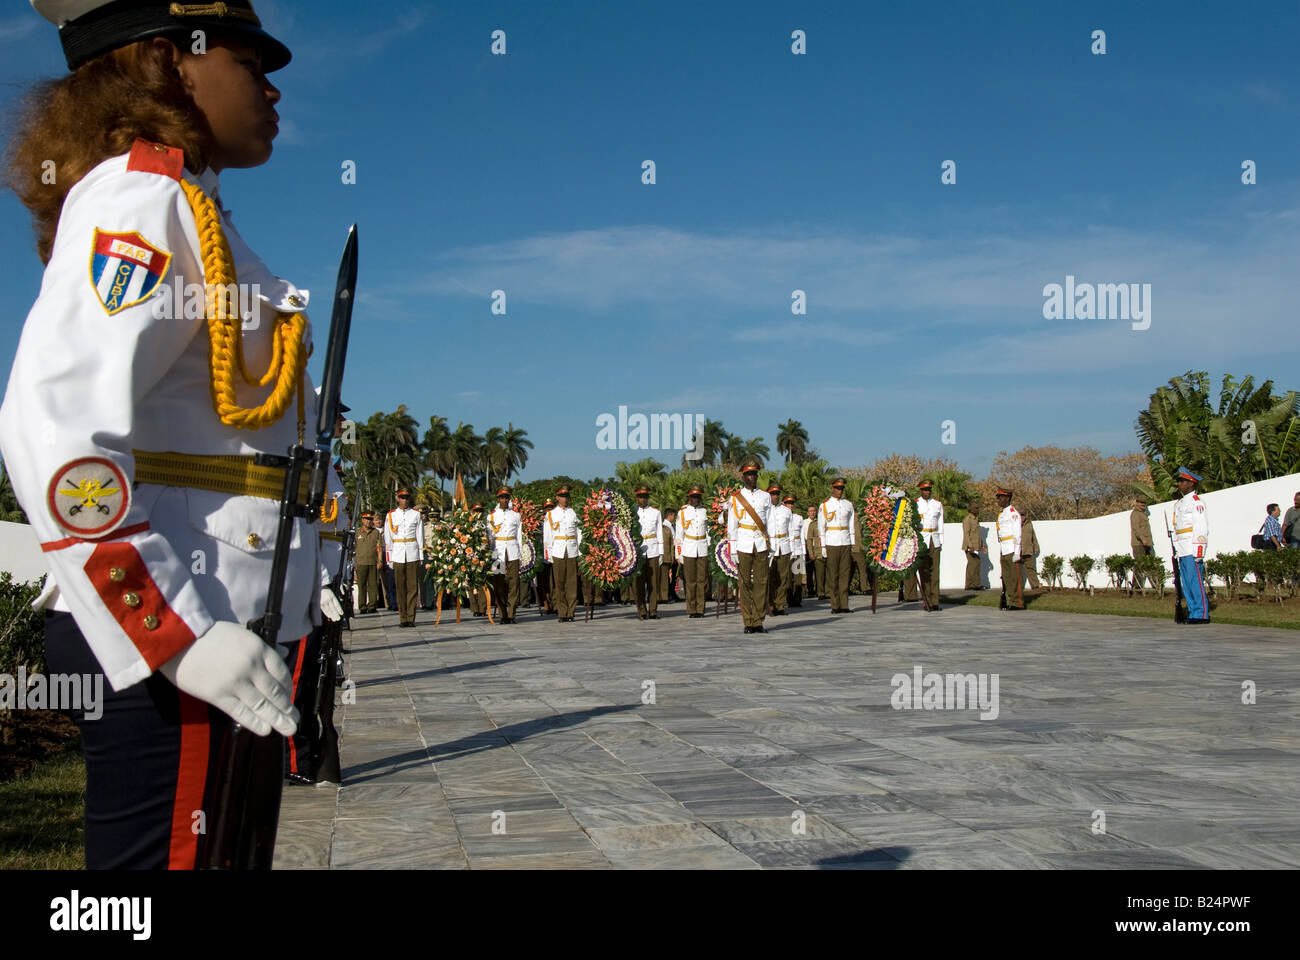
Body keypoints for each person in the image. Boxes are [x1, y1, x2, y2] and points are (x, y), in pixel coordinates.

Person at [0, 0, 319, 869]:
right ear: (171, 61)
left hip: (222, 619)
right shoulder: (140, 197)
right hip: (184, 630)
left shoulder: (189, 205)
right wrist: (172, 631)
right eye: (250, 61)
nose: (271, 83)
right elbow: (54, 421)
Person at [727, 459, 772, 634]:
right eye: (748, 474)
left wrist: (772, 544)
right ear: (743, 476)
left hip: (760, 542)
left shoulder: (765, 496)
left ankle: (758, 620)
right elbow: (732, 524)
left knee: (761, 582)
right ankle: (748, 621)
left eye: (754, 474)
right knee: (745, 584)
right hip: (744, 542)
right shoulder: (736, 498)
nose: (751, 477)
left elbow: (771, 522)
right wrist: (732, 549)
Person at [1171, 467, 1210, 623]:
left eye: (1183, 481)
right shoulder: (1179, 504)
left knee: (1195, 582)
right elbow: (1177, 528)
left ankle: (1202, 614)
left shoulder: (1197, 502)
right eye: (1179, 481)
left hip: (1192, 547)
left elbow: (1201, 527)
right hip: (1182, 547)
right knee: (1186, 583)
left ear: (1191, 484)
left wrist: (1199, 550)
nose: (1179, 484)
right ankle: (1193, 612)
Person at [383, 490, 424, 627]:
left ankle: (411, 618)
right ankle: (403, 617)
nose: (404, 500)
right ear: (397, 499)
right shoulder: (391, 515)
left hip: (412, 551)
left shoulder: (416, 515)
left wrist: (421, 555)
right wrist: (389, 559)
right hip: (398, 553)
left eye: (406, 497)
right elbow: (388, 538)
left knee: (412, 586)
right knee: (400, 587)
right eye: (402, 497)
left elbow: (420, 535)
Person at [543, 487, 581, 622]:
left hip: (571, 549)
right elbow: (547, 536)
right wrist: (547, 555)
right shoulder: (551, 514)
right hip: (557, 550)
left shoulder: (574, 513)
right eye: (562, 496)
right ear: (557, 497)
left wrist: (580, 552)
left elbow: (579, 534)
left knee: (572, 583)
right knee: (559, 583)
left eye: (566, 495)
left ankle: (571, 612)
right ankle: (562, 612)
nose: (565, 498)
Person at [819, 477, 856, 613]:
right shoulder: (825, 505)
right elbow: (821, 526)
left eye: (842, 488)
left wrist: (852, 542)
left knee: (845, 574)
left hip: (845, 540)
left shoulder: (848, 505)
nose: (840, 491)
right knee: (833, 575)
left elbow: (851, 524)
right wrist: (823, 546)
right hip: (832, 541)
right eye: (838, 488)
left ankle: (844, 604)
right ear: (832, 488)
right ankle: (835, 605)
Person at [488, 486, 523, 623]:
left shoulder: (515, 515)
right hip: (497, 551)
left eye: (507, 497)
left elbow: (519, 535)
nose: (504, 500)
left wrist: (519, 552)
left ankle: (511, 613)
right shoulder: (491, 516)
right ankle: (503, 614)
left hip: (513, 549)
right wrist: (491, 555)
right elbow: (489, 536)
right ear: (498, 499)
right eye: (502, 497)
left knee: (514, 582)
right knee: (499, 582)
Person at [676, 486, 710, 618]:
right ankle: (691, 609)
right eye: (693, 497)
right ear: (689, 498)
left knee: (702, 580)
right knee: (690, 580)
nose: (696, 499)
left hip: (702, 547)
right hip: (689, 548)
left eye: (698, 497)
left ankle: (700, 609)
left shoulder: (705, 511)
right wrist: (679, 554)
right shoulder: (682, 512)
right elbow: (679, 536)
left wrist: (709, 546)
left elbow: (707, 531)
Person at [633, 486, 663, 620]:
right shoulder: (632, 512)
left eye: (645, 497)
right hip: (638, 550)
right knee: (638, 583)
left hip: (652, 549)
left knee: (653, 582)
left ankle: (653, 610)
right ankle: (641, 610)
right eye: (640, 497)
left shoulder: (655, 512)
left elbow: (659, 532)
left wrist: (661, 552)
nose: (643, 499)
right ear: (636, 498)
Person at [915, 480, 943, 610]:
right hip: (922, 539)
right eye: (925, 490)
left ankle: (935, 601)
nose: (927, 492)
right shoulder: (916, 504)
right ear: (921, 491)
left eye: (929, 490)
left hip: (934, 538)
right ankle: (926, 600)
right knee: (924, 571)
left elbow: (940, 522)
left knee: (935, 571)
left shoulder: (937, 504)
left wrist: (941, 540)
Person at [994, 487, 1023, 609]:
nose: (998, 500)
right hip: (1004, 548)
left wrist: (1017, 551)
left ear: (1006, 498)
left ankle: (1017, 602)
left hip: (1011, 548)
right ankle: (1009, 600)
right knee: (1006, 576)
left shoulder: (1013, 513)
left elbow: (1017, 533)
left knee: (1014, 577)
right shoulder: (1002, 513)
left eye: (1000, 498)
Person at [766, 483, 792, 616]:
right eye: (772, 494)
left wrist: (792, 548)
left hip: (784, 545)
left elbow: (791, 530)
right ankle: (770, 604)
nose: (775, 496)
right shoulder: (765, 510)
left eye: (777, 494)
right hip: (770, 546)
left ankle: (779, 605)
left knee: (783, 577)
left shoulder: (786, 511)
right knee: (770, 577)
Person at [354, 512, 383, 613]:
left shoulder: (376, 532)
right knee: (361, 585)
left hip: (373, 562)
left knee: (373, 585)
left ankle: (372, 605)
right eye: (366, 519)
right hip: (360, 563)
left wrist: (380, 560)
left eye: (370, 519)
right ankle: (362, 606)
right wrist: (354, 563)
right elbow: (353, 549)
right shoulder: (357, 533)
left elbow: (379, 548)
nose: (368, 521)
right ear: (362, 520)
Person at [467, 503, 488, 616]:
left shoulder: (485, 525)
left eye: (480, 511)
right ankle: (474, 608)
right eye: (476, 511)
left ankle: (482, 608)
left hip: (482, 555)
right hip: (470, 555)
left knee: (481, 582)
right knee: (471, 583)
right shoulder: (468, 525)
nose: (478, 513)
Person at [535, 497, 556, 614]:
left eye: (551, 508)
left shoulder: (557, 520)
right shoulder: (540, 523)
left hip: (556, 552)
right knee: (545, 581)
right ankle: (547, 603)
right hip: (543, 554)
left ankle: (556, 604)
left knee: (556, 581)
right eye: (547, 508)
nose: (549, 510)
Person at [1130, 496, 1155, 590]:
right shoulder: (1135, 514)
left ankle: (1155, 585)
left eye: (1144, 503)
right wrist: (1143, 539)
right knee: (1140, 565)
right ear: (1136, 503)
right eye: (1141, 502)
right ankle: (1136, 587)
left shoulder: (1143, 514)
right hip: (1139, 544)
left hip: (1147, 543)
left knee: (1150, 565)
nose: (1143, 504)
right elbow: (1136, 529)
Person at [803, 505, 826, 600]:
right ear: (807, 513)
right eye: (810, 511)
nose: (812, 513)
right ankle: (810, 590)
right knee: (809, 571)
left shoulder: (819, 523)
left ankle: (820, 591)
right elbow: (807, 538)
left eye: (814, 511)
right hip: (808, 548)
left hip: (819, 549)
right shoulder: (804, 523)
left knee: (819, 572)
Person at [786, 495, 805, 607]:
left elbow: (802, 535)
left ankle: (797, 599)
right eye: (788, 503)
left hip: (797, 550)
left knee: (797, 576)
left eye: (792, 503)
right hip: (787, 549)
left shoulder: (798, 518)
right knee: (788, 577)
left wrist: (803, 551)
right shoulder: (782, 517)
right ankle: (789, 599)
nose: (790, 505)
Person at [1019, 508, 1042, 594]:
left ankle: (1035, 585)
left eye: (1023, 515)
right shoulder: (1014, 524)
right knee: (1018, 571)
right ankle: (1018, 588)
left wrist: (1036, 546)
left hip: (1028, 550)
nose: (1022, 517)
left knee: (1031, 569)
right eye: (1020, 515)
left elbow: (1033, 536)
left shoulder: (1029, 524)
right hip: (1018, 551)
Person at [962, 504, 985, 589]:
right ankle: (970, 585)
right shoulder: (967, 520)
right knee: (972, 564)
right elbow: (966, 534)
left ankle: (975, 584)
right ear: (971, 510)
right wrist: (970, 546)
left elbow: (978, 534)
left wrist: (982, 545)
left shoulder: (976, 520)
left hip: (976, 546)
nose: (978, 510)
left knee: (976, 564)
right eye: (976, 508)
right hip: (970, 547)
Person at [660, 507, 679, 604]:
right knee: (665, 577)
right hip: (667, 555)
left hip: (673, 554)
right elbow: (669, 543)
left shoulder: (671, 526)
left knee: (672, 576)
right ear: (670, 515)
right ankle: (664, 596)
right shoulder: (664, 527)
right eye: (673, 515)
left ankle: (671, 593)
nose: (674, 517)